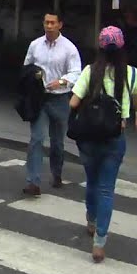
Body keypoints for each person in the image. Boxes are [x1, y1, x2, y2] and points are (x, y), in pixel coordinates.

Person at [70, 26, 137, 263]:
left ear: (100, 48)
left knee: (91, 181)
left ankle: (91, 220)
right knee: (106, 188)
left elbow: (73, 102)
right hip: (114, 137)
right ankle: (99, 242)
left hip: (89, 138)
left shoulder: (90, 71)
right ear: (122, 49)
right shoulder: (131, 74)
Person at [22, 13, 82, 196]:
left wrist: (62, 82)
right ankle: (33, 181)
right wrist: (32, 77)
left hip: (60, 99)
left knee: (57, 142)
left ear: (60, 25)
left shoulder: (69, 48)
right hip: (40, 98)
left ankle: (57, 173)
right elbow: (27, 66)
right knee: (37, 138)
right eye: (46, 22)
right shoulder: (35, 45)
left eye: (52, 23)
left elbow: (76, 73)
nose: (49, 26)